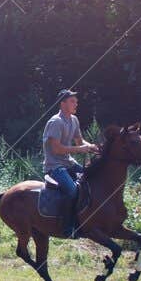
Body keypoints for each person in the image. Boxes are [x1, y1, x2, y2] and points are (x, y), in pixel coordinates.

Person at [41, 90, 98, 237]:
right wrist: (81, 149)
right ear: (62, 103)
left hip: (69, 163)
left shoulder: (74, 120)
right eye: (72, 101)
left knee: (92, 180)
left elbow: (80, 141)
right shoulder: (55, 122)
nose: (76, 103)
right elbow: (57, 149)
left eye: (76, 101)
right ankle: (67, 228)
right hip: (54, 166)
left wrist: (92, 147)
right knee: (72, 191)